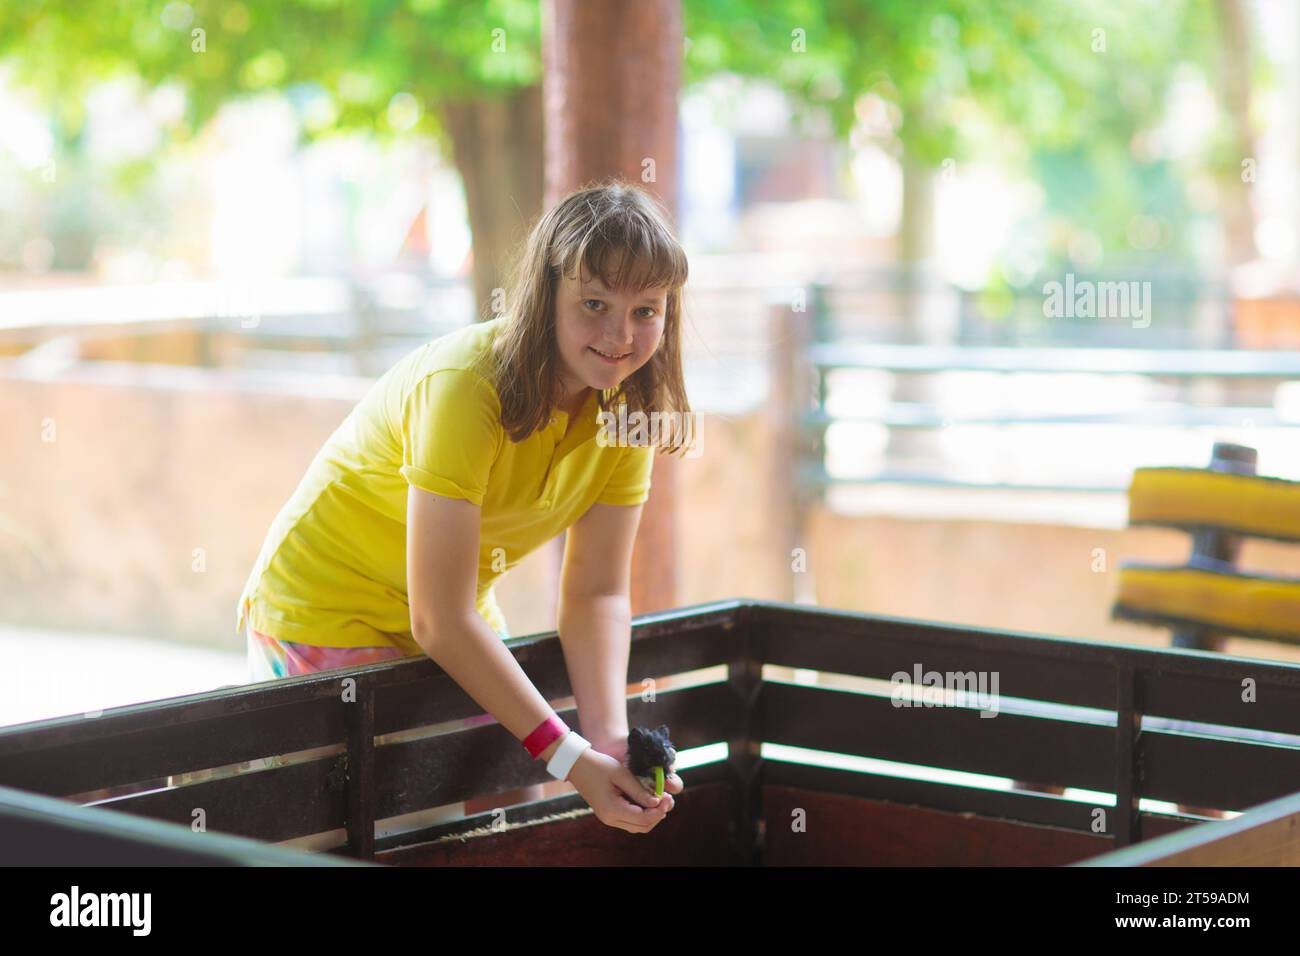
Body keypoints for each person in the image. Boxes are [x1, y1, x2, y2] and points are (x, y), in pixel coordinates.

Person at [234, 179, 692, 834]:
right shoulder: (466, 388)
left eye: (647, 311)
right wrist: (570, 756)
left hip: (451, 609)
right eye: (595, 303)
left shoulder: (627, 410)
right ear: (547, 294)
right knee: (387, 827)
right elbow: (439, 618)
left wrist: (609, 744)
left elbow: (594, 595)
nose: (621, 334)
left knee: (504, 801)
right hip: (326, 605)